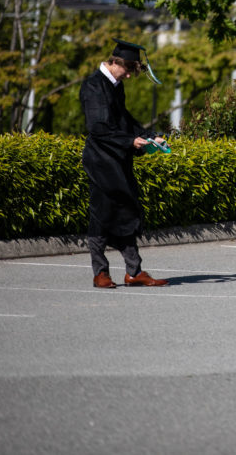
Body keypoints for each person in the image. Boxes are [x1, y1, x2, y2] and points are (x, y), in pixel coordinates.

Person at [81, 40, 170, 288]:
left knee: (127, 211)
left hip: (117, 160)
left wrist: (148, 136)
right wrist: (130, 141)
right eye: (128, 69)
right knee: (101, 215)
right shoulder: (93, 85)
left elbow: (124, 119)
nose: (129, 75)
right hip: (100, 162)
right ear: (115, 62)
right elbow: (98, 128)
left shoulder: (115, 86)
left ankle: (134, 271)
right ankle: (100, 273)